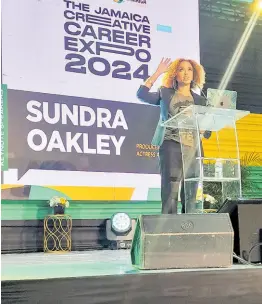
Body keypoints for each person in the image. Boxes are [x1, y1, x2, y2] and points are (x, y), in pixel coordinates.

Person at [137, 58, 211, 214]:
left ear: (195, 73)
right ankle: (169, 227)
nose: (186, 73)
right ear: (174, 74)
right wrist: (157, 73)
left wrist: (204, 128)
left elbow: (208, 130)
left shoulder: (201, 100)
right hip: (172, 145)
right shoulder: (165, 93)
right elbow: (141, 94)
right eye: (181, 69)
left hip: (193, 149)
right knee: (170, 190)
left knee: (190, 193)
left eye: (189, 69)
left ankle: (189, 226)